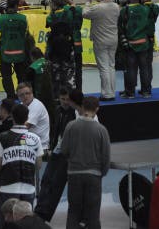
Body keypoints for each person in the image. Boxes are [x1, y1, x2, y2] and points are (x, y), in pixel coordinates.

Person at [60, 96, 110, 229]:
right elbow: (106, 155)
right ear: (97, 109)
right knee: (93, 213)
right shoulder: (101, 130)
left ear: (82, 107)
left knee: (73, 211)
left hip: (74, 174)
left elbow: (63, 149)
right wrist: (101, 172)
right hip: (94, 175)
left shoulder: (71, 126)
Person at [0, 104, 43, 229]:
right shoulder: (36, 139)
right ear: (27, 117)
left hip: (7, 188)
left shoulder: (2, 137)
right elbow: (39, 165)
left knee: (7, 223)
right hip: (28, 188)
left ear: (12, 117)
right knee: (26, 224)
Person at [34, 87, 80, 222]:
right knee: (46, 180)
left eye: (67, 99)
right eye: (62, 99)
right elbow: (55, 130)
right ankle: (39, 210)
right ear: (59, 98)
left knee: (55, 183)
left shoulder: (75, 113)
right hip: (56, 151)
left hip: (67, 154)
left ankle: (44, 214)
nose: (65, 102)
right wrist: (51, 147)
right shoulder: (58, 110)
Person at [83, 0, 120, 101]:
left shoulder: (98, 7)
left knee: (103, 67)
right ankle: (112, 92)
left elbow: (85, 13)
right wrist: (99, 1)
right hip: (113, 39)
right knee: (111, 66)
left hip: (101, 41)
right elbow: (105, 6)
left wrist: (88, 2)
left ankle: (106, 94)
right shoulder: (116, 6)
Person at [119, 0, 153, 98]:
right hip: (143, 43)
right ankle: (146, 91)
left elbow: (121, 26)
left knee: (131, 69)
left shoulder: (125, 10)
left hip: (131, 44)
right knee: (144, 68)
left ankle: (130, 92)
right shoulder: (145, 9)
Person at [0, 0, 28, 99]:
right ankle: (22, 94)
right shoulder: (22, 18)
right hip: (20, 51)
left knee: (6, 76)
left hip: (6, 51)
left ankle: (10, 95)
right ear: (16, 6)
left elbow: (0, 30)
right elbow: (24, 31)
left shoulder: (1, 19)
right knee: (21, 76)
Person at [46, 0, 75, 96]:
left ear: (54, 4)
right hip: (67, 47)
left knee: (55, 73)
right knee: (67, 72)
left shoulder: (50, 17)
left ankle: (57, 95)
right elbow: (72, 5)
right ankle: (68, 93)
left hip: (54, 48)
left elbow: (48, 24)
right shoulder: (68, 12)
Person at [16, 83, 49, 151]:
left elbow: (25, 126)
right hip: (28, 144)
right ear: (18, 97)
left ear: (32, 93)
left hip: (40, 147)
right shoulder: (22, 105)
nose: (25, 96)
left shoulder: (36, 105)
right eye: (21, 95)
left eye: (27, 93)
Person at [63, 0, 84, 90]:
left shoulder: (64, 10)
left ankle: (67, 92)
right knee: (78, 70)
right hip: (78, 44)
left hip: (67, 45)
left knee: (66, 70)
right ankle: (79, 90)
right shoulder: (79, 9)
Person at [143, 0, 159, 84]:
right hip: (151, 37)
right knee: (149, 62)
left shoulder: (142, 8)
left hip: (142, 37)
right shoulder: (156, 7)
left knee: (142, 63)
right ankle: (148, 84)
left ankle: (144, 85)